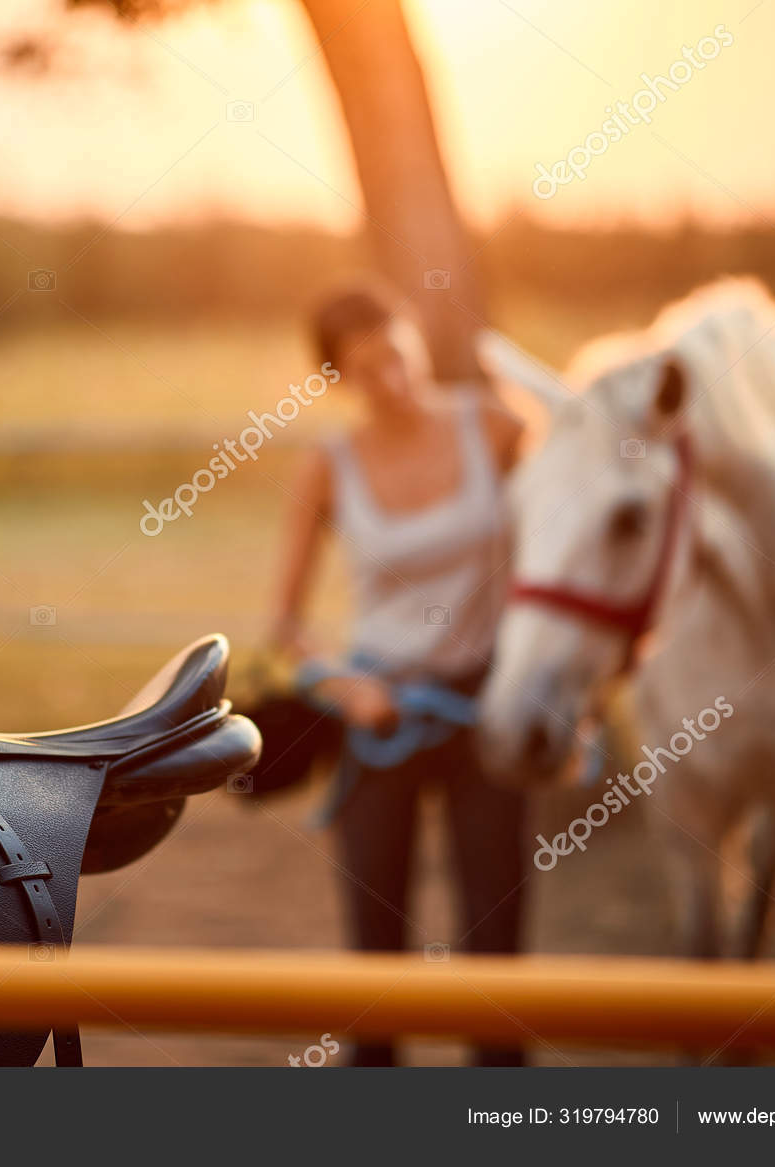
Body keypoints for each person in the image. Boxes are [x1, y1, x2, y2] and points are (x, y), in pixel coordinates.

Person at [269, 280, 528, 1066]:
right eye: (365, 369)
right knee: (375, 962)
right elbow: (286, 624)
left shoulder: (499, 428)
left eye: (398, 358)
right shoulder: (328, 464)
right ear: (338, 378)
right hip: (377, 716)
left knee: (500, 956)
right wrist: (348, 688)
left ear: (418, 345)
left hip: (485, 706)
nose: (391, 381)